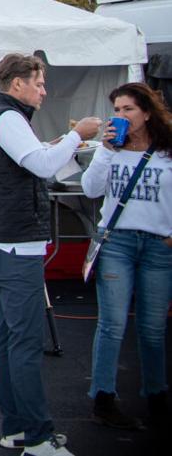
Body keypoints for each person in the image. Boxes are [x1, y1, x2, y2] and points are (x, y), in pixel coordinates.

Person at [0, 52, 100, 456]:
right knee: (23, 341)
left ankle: (18, 429)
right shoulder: (7, 118)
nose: (44, 91)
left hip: (3, 238)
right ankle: (38, 438)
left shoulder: (1, 117)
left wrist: (65, 142)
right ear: (17, 84)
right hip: (13, 241)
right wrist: (78, 136)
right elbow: (42, 165)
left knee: (10, 338)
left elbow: (35, 157)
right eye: (39, 83)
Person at [79, 81, 172, 431]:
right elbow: (90, 190)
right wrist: (105, 150)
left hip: (158, 244)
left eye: (128, 109)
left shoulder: (166, 152)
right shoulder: (111, 150)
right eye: (116, 110)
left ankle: (156, 395)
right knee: (112, 322)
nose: (120, 116)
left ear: (147, 113)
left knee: (152, 327)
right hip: (116, 241)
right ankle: (103, 397)